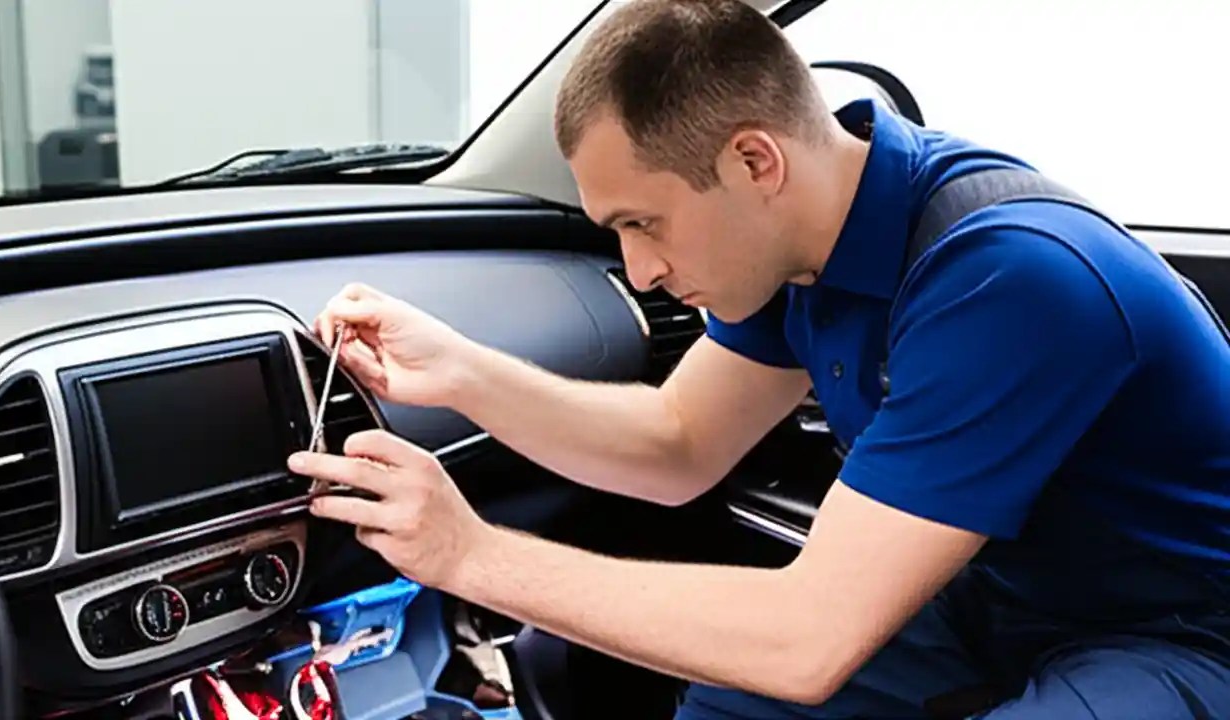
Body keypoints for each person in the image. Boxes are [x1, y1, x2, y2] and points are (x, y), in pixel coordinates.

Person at [286, 0, 1230, 717]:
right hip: (1002, 600)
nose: (640, 270)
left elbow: (804, 640)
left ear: (753, 162)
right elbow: (677, 442)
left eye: (642, 223)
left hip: (1179, 635)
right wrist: (459, 371)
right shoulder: (807, 244)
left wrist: (470, 554)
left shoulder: (1010, 276)